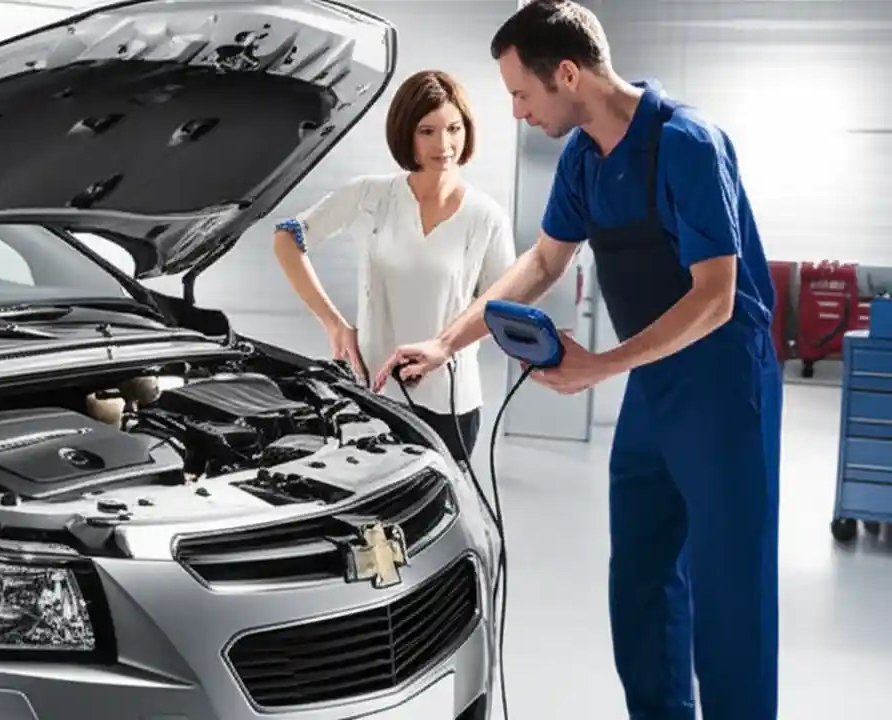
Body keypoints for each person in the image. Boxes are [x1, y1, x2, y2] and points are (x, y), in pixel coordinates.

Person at [373, 3, 782, 719]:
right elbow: (541, 262)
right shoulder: (583, 158)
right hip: (654, 390)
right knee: (642, 584)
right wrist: (446, 341)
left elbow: (715, 297)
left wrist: (602, 366)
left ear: (567, 73)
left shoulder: (687, 142)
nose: (517, 111)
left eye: (522, 94)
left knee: (730, 593)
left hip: (725, 387)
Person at [271, 69, 516, 462]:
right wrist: (334, 324)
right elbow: (287, 237)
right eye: (427, 131)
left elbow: (501, 310)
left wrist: (445, 347)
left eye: (454, 128)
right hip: (374, 396)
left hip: (450, 404)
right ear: (406, 133)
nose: (444, 144)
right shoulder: (370, 195)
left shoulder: (486, 217)